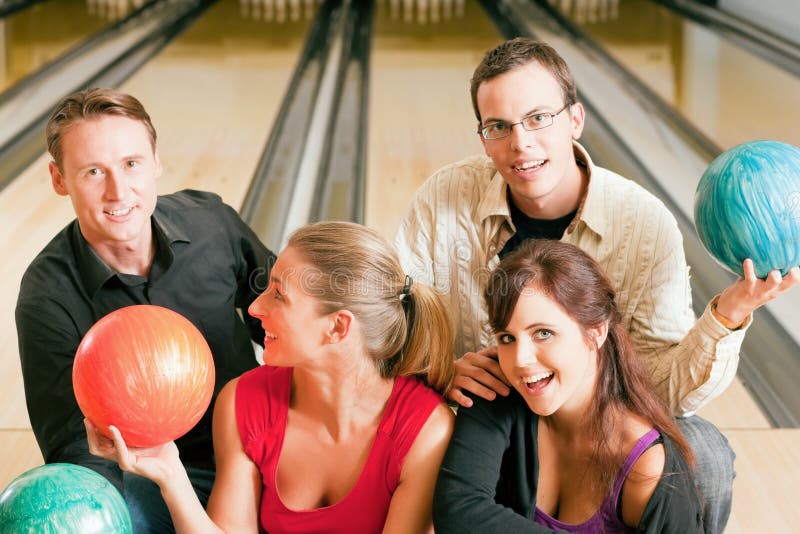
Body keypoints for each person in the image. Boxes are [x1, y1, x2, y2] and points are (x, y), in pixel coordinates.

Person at [395, 38, 800, 533]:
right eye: (499, 126)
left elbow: (663, 391)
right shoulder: (440, 199)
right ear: (482, 136)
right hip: (481, 418)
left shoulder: (644, 224)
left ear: (575, 119)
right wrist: (436, 370)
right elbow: (393, 328)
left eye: (539, 117)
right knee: (395, 419)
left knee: (702, 456)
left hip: (591, 425)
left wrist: (728, 315)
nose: (520, 142)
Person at [15, 88, 276, 533]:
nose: (119, 192)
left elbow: (284, 324)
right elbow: (73, 450)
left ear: (155, 162)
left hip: (257, 451)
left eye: (131, 164)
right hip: (145, 477)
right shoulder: (47, 295)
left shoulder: (212, 224)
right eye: (94, 171)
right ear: (59, 179)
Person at [86, 221, 456, 533]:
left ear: (337, 328)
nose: (254, 307)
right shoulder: (242, 402)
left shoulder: (424, 431)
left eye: (279, 295)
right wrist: (169, 471)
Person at [433, 239, 703, 533]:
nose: (520, 361)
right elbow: (458, 510)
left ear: (596, 331)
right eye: (507, 338)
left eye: (543, 333)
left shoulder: (649, 471)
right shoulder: (498, 386)